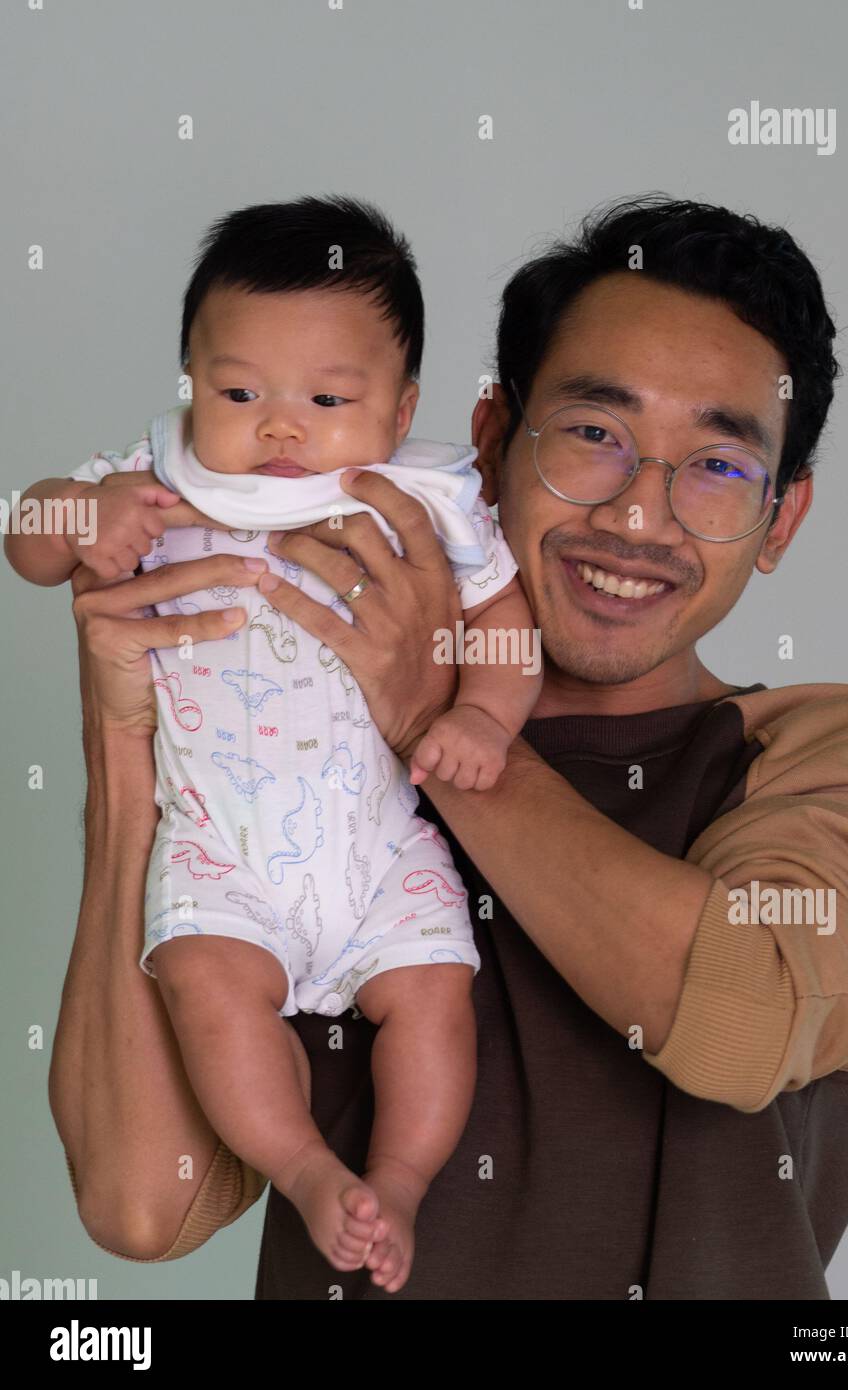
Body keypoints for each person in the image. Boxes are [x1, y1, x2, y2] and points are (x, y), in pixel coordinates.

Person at [44, 195, 848, 1299]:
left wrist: (439, 713)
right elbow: (145, 1199)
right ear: (486, 443)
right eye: (592, 435)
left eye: (717, 467)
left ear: (781, 519)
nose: (637, 515)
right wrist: (122, 737)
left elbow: (744, 1017)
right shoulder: (318, 761)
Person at [7, 196, 540, 1293]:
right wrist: (76, 516)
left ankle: (394, 1179)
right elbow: (27, 539)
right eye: (238, 391)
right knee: (208, 987)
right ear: (189, 383)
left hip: (374, 849)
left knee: (435, 995)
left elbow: (502, 619)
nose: (280, 426)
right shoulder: (158, 476)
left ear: (401, 410)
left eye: (328, 397)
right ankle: (304, 1169)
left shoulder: (429, 496)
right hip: (221, 851)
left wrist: (483, 713)